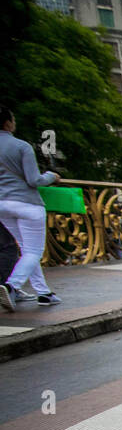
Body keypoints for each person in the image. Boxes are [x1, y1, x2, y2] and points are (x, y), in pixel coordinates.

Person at [0, 104, 61, 308]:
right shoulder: (21, 146)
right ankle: (11, 286)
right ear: (8, 123)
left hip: (2, 205)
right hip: (27, 204)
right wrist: (51, 176)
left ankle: (43, 293)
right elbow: (33, 180)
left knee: (27, 250)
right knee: (34, 251)